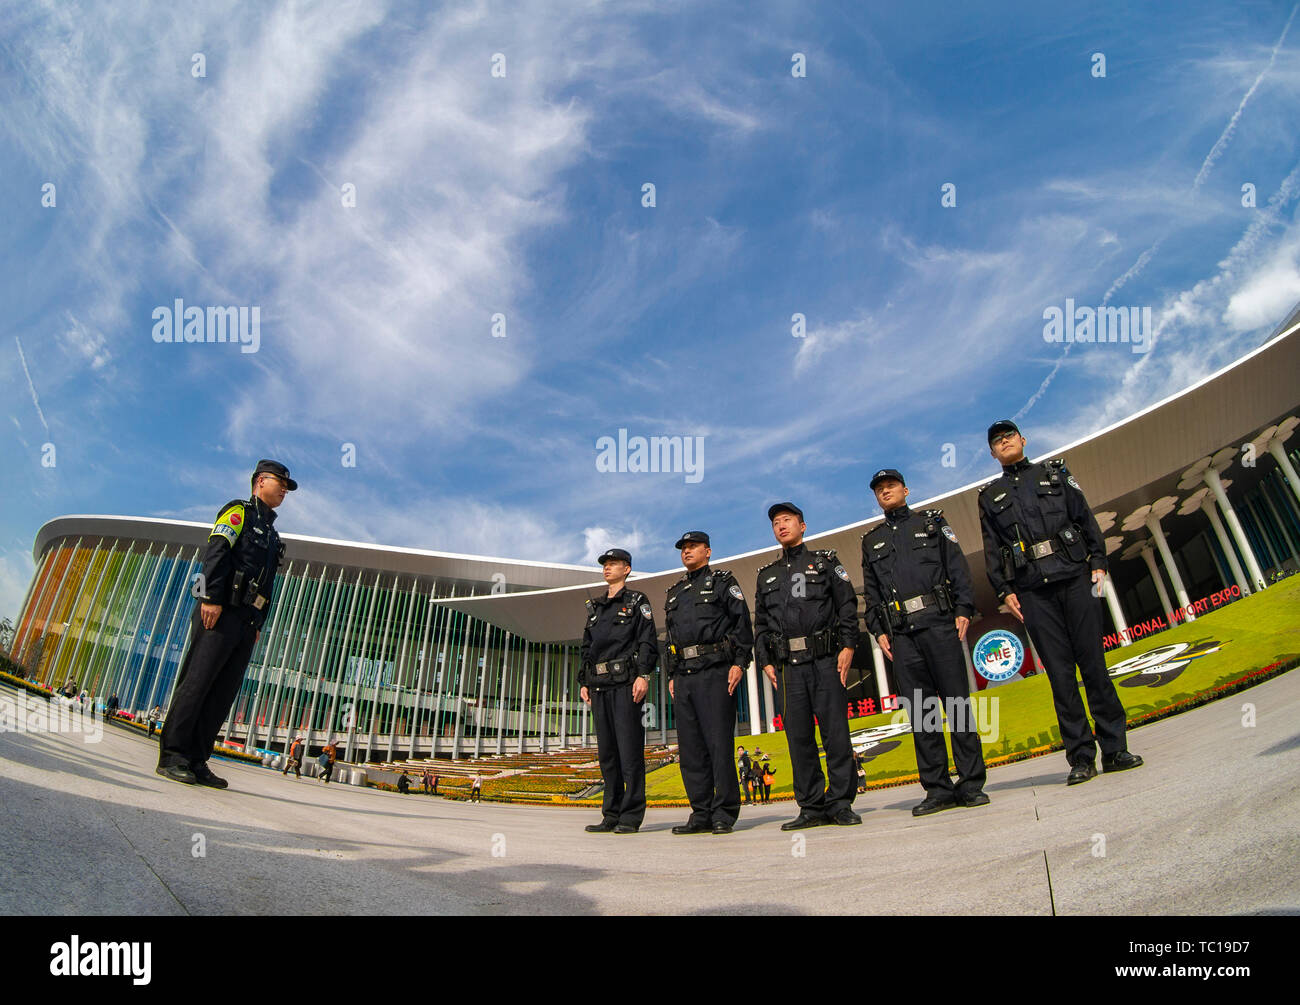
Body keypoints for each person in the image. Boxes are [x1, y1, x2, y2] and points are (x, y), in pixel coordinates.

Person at [978, 420, 1142, 785]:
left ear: (1023, 439)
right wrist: (1004, 590)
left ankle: (1115, 750)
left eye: (1009, 436)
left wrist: (1098, 561)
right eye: (996, 442)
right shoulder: (990, 497)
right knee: (1060, 675)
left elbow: (1084, 517)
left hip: (1074, 578)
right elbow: (992, 548)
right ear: (992, 453)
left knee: (1094, 666)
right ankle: (1081, 757)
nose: (1004, 443)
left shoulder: (1054, 474)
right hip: (1033, 591)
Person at [157, 459, 295, 789]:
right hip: (219, 611)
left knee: (223, 692)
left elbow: (266, 584)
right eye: (281, 483)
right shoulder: (238, 513)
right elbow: (215, 552)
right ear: (261, 481)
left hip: (246, 622)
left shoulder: (273, 535)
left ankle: (196, 759)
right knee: (198, 682)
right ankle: (173, 754)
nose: (285, 491)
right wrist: (209, 598)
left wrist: (259, 621)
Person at [862, 468, 989, 816]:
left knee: (957, 704)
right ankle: (937, 789)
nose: (885, 492)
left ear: (905, 489)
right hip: (902, 634)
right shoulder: (870, 541)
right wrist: (879, 630)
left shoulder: (931, 523)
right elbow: (871, 594)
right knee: (922, 713)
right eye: (879, 489)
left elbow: (958, 567)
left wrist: (964, 606)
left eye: (890, 486)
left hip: (937, 623)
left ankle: (971, 783)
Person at [754, 502, 861, 829]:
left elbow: (847, 605)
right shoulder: (766, 575)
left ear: (802, 526)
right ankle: (811, 807)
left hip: (825, 660)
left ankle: (841, 803)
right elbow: (760, 625)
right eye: (776, 523)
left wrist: (849, 645)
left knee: (836, 734)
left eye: (787, 520)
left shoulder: (824, 562)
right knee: (799, 739)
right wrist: (765, 661)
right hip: (788, 669)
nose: (781, 526)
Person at [664, 531, 754, 836]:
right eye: (683, 548)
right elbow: (671, 638)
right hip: (685, 677)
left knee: (718, 744)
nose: (687, 551)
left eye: (693, 547)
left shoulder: (723, 582)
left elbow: (741, 623)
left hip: (716, 672)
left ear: (708, 551)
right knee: (691, 749)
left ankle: (724, 812)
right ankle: (700, 811)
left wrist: (740, 663)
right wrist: (672, 674)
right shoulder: (674, 593)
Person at [579, 548, 657, 834]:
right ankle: (610, 814)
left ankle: (630, 816)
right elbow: (586, 647)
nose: (607, 568)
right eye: (605, 565)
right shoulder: (595, 607)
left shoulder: (637, 601)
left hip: (626, 684)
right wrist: (583, 682)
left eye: (613, 564)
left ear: (627, 569)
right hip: (599, 687)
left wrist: (644, 675)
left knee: (629, 751)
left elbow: (647, 641)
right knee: (607, 754)